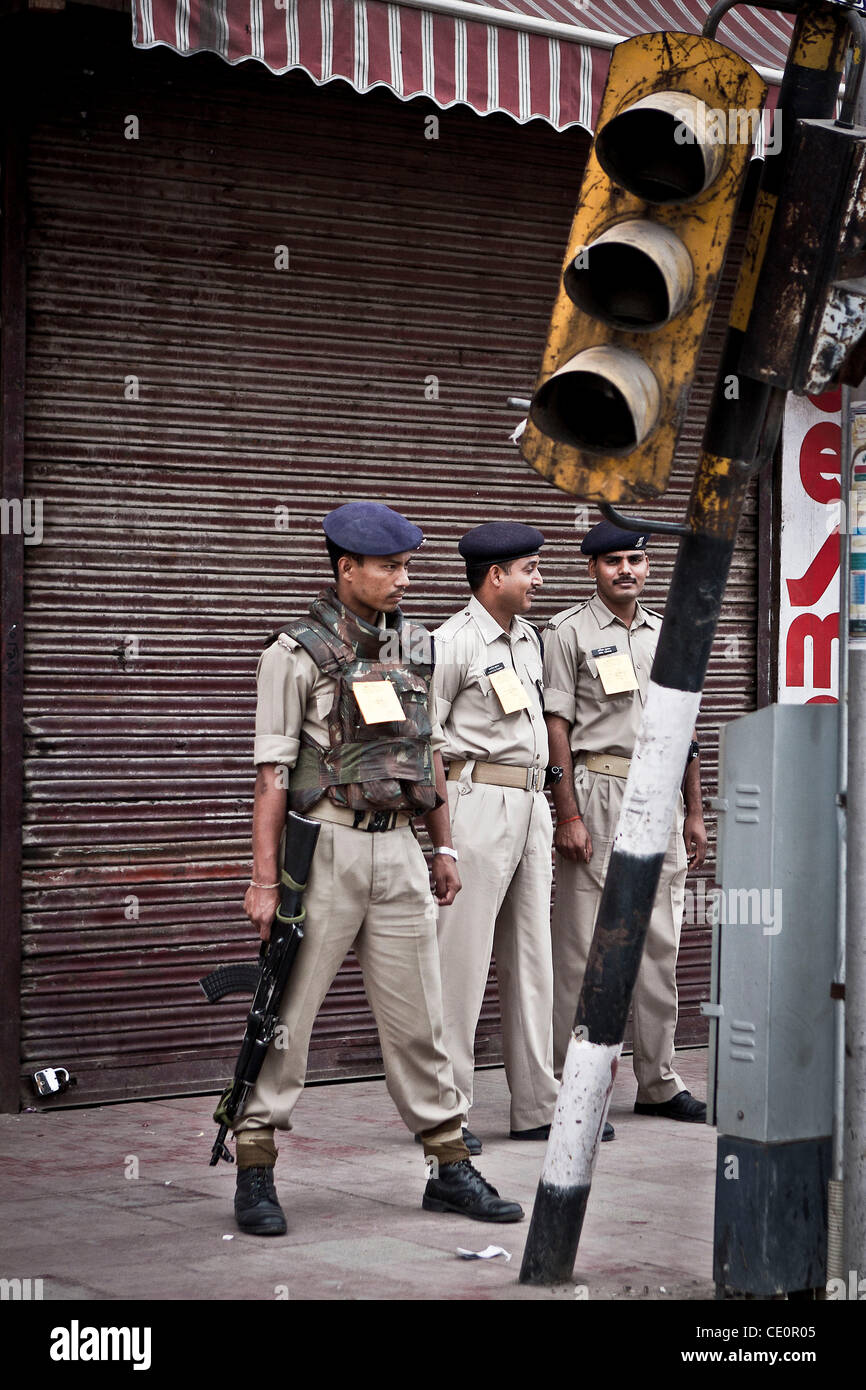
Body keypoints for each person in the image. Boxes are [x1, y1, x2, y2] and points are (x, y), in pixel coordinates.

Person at [235, 501, 524, 1234]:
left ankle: (449, 1164)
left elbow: (427, 757)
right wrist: (265, 881)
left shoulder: (418, 647)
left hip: (399, 849)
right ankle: (256, 1165)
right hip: (324, 850)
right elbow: (271, 776)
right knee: (287, 1016)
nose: (403, 579)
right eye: (389, 567)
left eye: (406, 566)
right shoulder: (293, 654)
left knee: (421, 1017)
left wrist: (444, 845)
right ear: (345, 569)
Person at [542, 520, 708, 1122]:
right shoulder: (567, 632)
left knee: (660, 944)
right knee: (582, 948)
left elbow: (684, 728)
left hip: (661, 795)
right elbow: (556, 726)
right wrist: (568, 814)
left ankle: (659, 1081)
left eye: (635, 559)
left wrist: (694, 808)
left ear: (648, 566)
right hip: (598, 790)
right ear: (593, 569)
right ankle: (570, 1081)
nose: (626, 571)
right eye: (613, 561)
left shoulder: (669, 634)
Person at [431, 523, 562, 1145]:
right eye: (531, 570)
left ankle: (538, 1104)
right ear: (496, 577)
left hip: (532, 804)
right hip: (475, 800)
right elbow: (425, 743)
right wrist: (443, 839)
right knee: (461, 961)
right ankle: (446, 1111)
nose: (540, 580)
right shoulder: (450, 642)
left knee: (532, 956)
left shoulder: (531, 640)